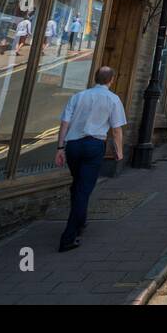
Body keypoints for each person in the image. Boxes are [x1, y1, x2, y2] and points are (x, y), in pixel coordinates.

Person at [54, 65, 126, 251]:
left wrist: (60, 147)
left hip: (74, 145)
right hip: (94, 146)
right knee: (83, 190)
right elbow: (116, 129)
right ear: (112, 80)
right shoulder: (113, 99)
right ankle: (68, 237)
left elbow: (64, 124)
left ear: (95, 78)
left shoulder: (78, 96)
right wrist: (119, 151)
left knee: (77, 185)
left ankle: (80, 221)